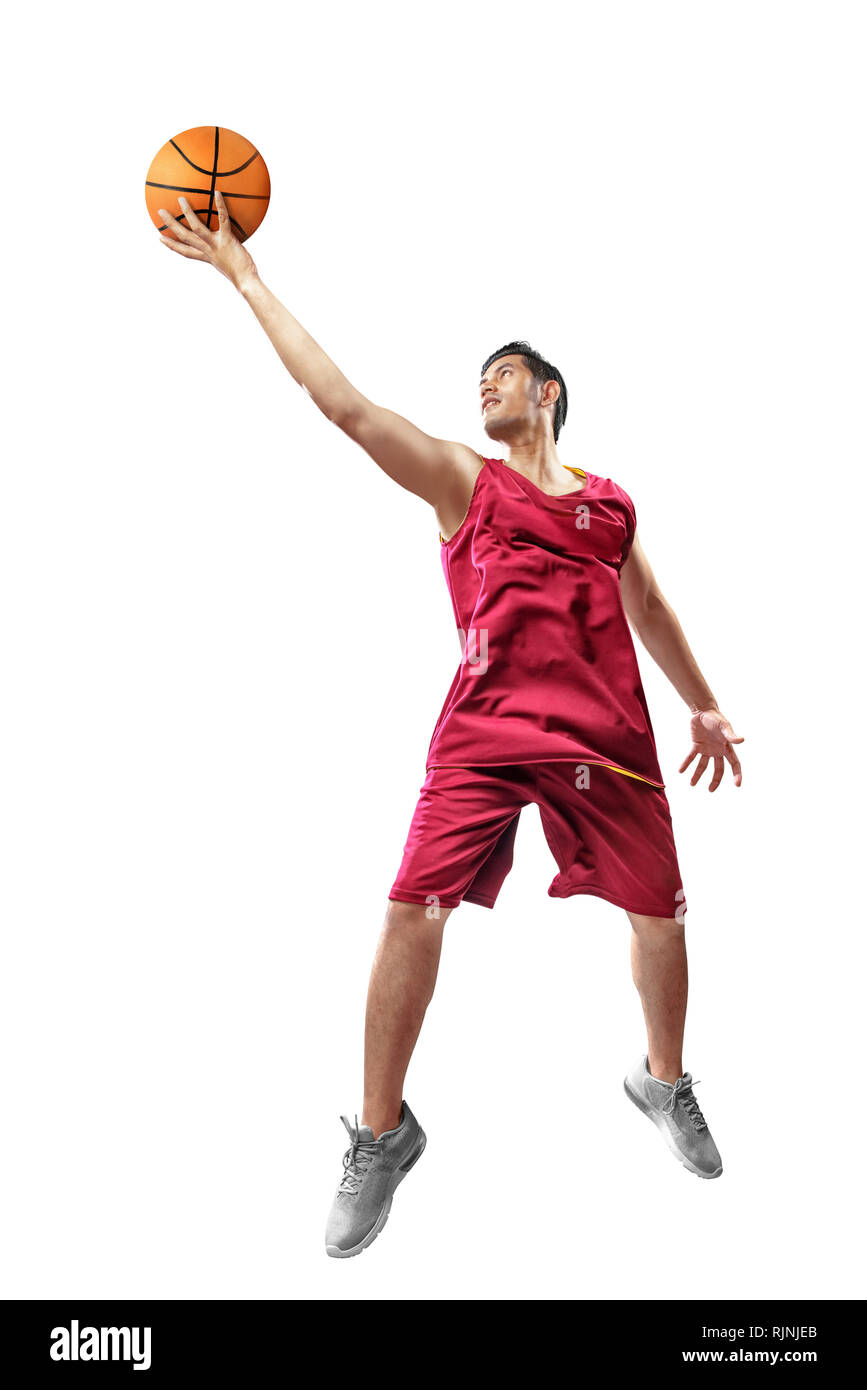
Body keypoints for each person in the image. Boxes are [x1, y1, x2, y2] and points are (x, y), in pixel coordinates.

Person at [158, 191, 745, 1260]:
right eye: (481, 378)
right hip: (481, 731)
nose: (487, 384)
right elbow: (343, 404)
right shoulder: (461, 482)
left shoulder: (610, 504)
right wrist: (244, 279)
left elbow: (648, 607)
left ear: (550, 393)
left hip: (607, 740)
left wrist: (703, 698)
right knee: (408, 912)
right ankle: (380, 1135)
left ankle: (661, 1081)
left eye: (506, 372)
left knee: (661, 918)